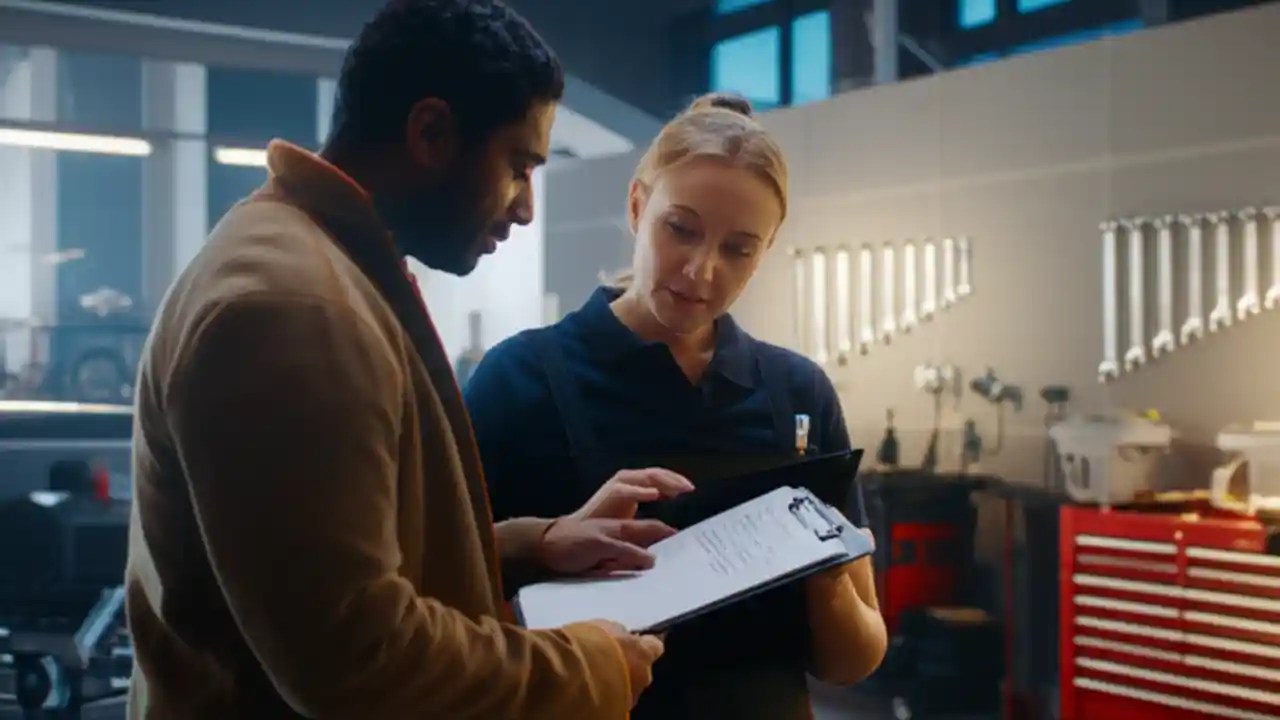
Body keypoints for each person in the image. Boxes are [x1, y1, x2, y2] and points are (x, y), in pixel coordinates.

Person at [124, 1, 682, 718]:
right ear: (430, 133)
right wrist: (588, 668)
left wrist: (531, 546)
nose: (525, 210)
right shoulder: (295, 308)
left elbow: (323, 560)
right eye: (519, 166)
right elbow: (359, 659)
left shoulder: (311, 267)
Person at [464, 92, 889, 719]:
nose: (700, 271)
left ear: (767, 249)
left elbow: (853, 660)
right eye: (681, 229)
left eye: (739, 248)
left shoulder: (799, 396)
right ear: (639, 206)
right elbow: (432, 591)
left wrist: (824, 571)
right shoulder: (517, 379)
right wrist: (545, 541)